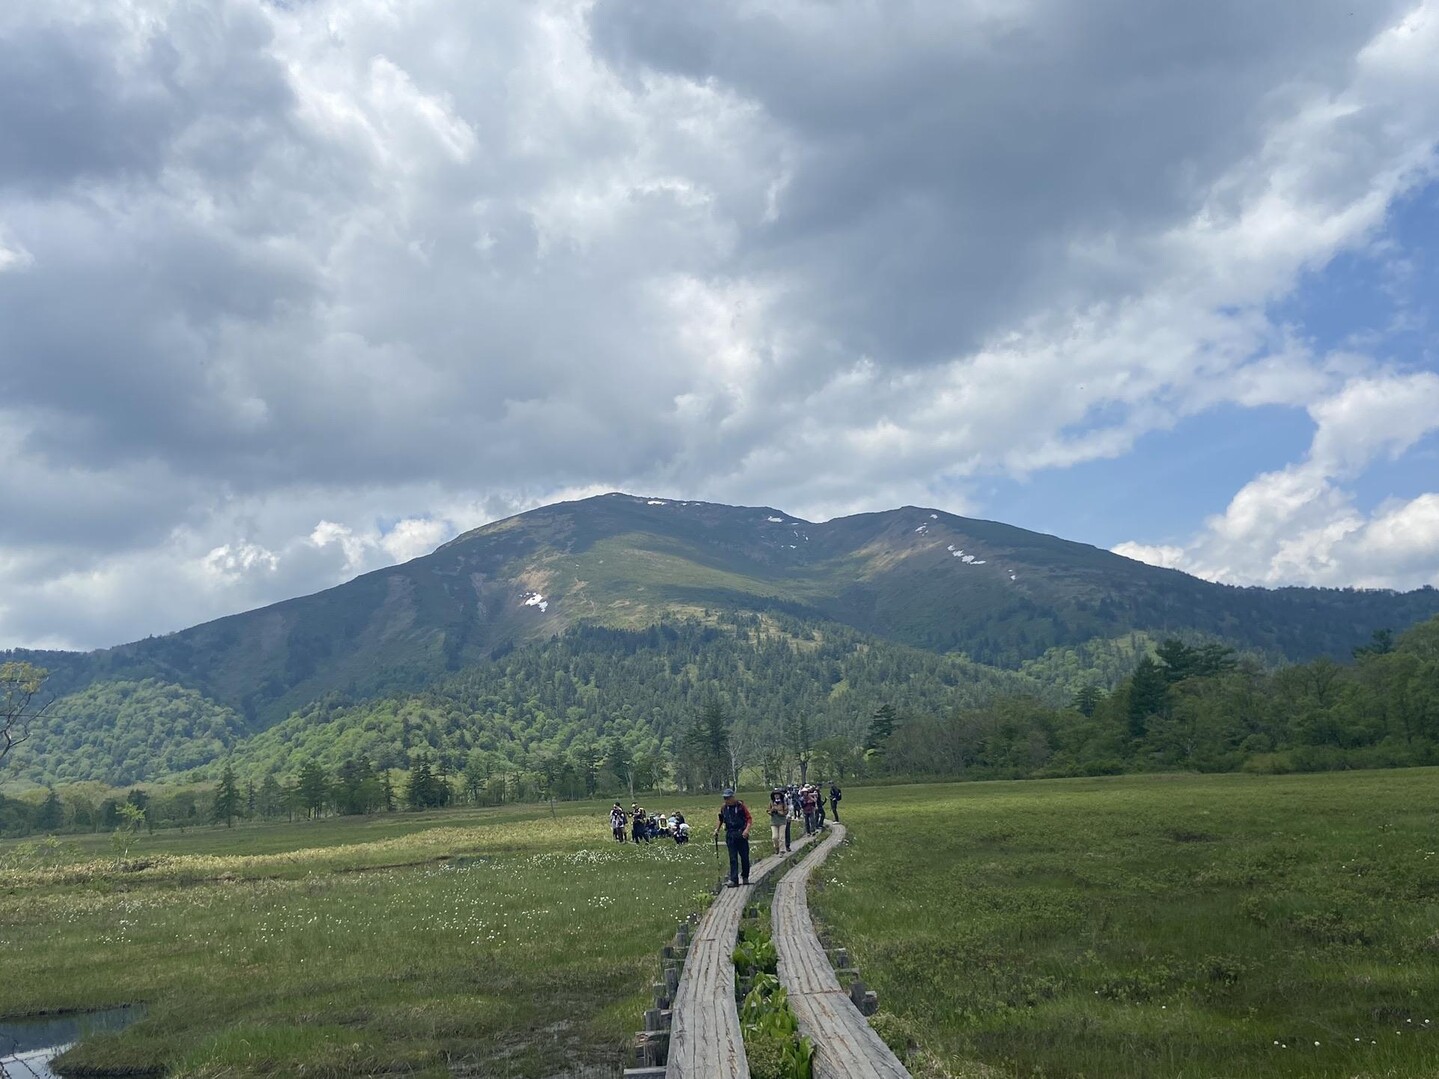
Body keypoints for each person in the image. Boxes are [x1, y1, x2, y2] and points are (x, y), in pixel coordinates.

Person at [714, 787, 752, 887]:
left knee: (744, 857)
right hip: (730, 834)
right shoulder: (723, 808)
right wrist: (717, 829)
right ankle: (734, 880)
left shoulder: (741, 806)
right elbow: (720, 819)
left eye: (728, 798)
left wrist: (746, 830)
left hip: (741, 833)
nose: (726, 800)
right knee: (733, 858)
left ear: (733, 797)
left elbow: (749, 819)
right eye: (725, 798)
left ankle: (745, 876)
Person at [768, 788, 790, 856]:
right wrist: (772, 811)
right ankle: (776, 847)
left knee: (781, 837)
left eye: (778, 795)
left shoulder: (783, 802)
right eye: (775, 795)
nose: (776, 796)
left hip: (782, 821)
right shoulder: (771, 802)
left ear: (780, 795)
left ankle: (782, 851)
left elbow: (786, 811)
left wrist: (779, 812)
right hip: (774, 822)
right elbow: (768, 811)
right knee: (774, 837)